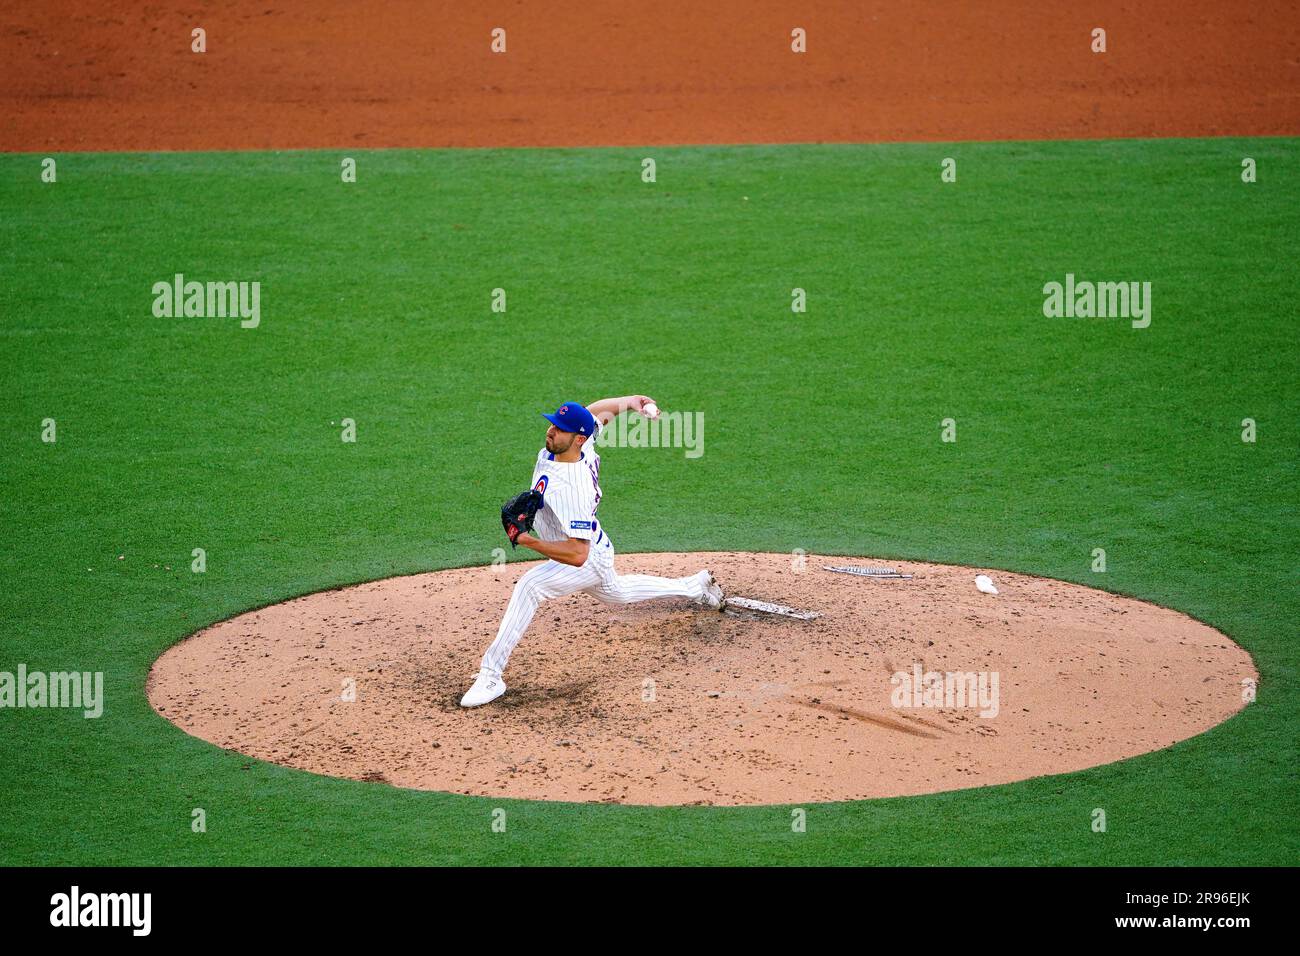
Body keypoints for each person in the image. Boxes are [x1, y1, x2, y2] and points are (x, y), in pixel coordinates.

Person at [461, 396, 725, 707]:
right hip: (594, 547)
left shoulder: (573, 490)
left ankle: (491, 675)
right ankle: (693, 586)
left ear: (578, 439)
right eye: (553, 424)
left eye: (560, 429)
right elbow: (596, 412)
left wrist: (525, 540)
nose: (551, 431)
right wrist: (633, 401)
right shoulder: (576, 445)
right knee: (619, 593)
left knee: (530, 586)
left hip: (586, 556)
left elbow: (577, 555)